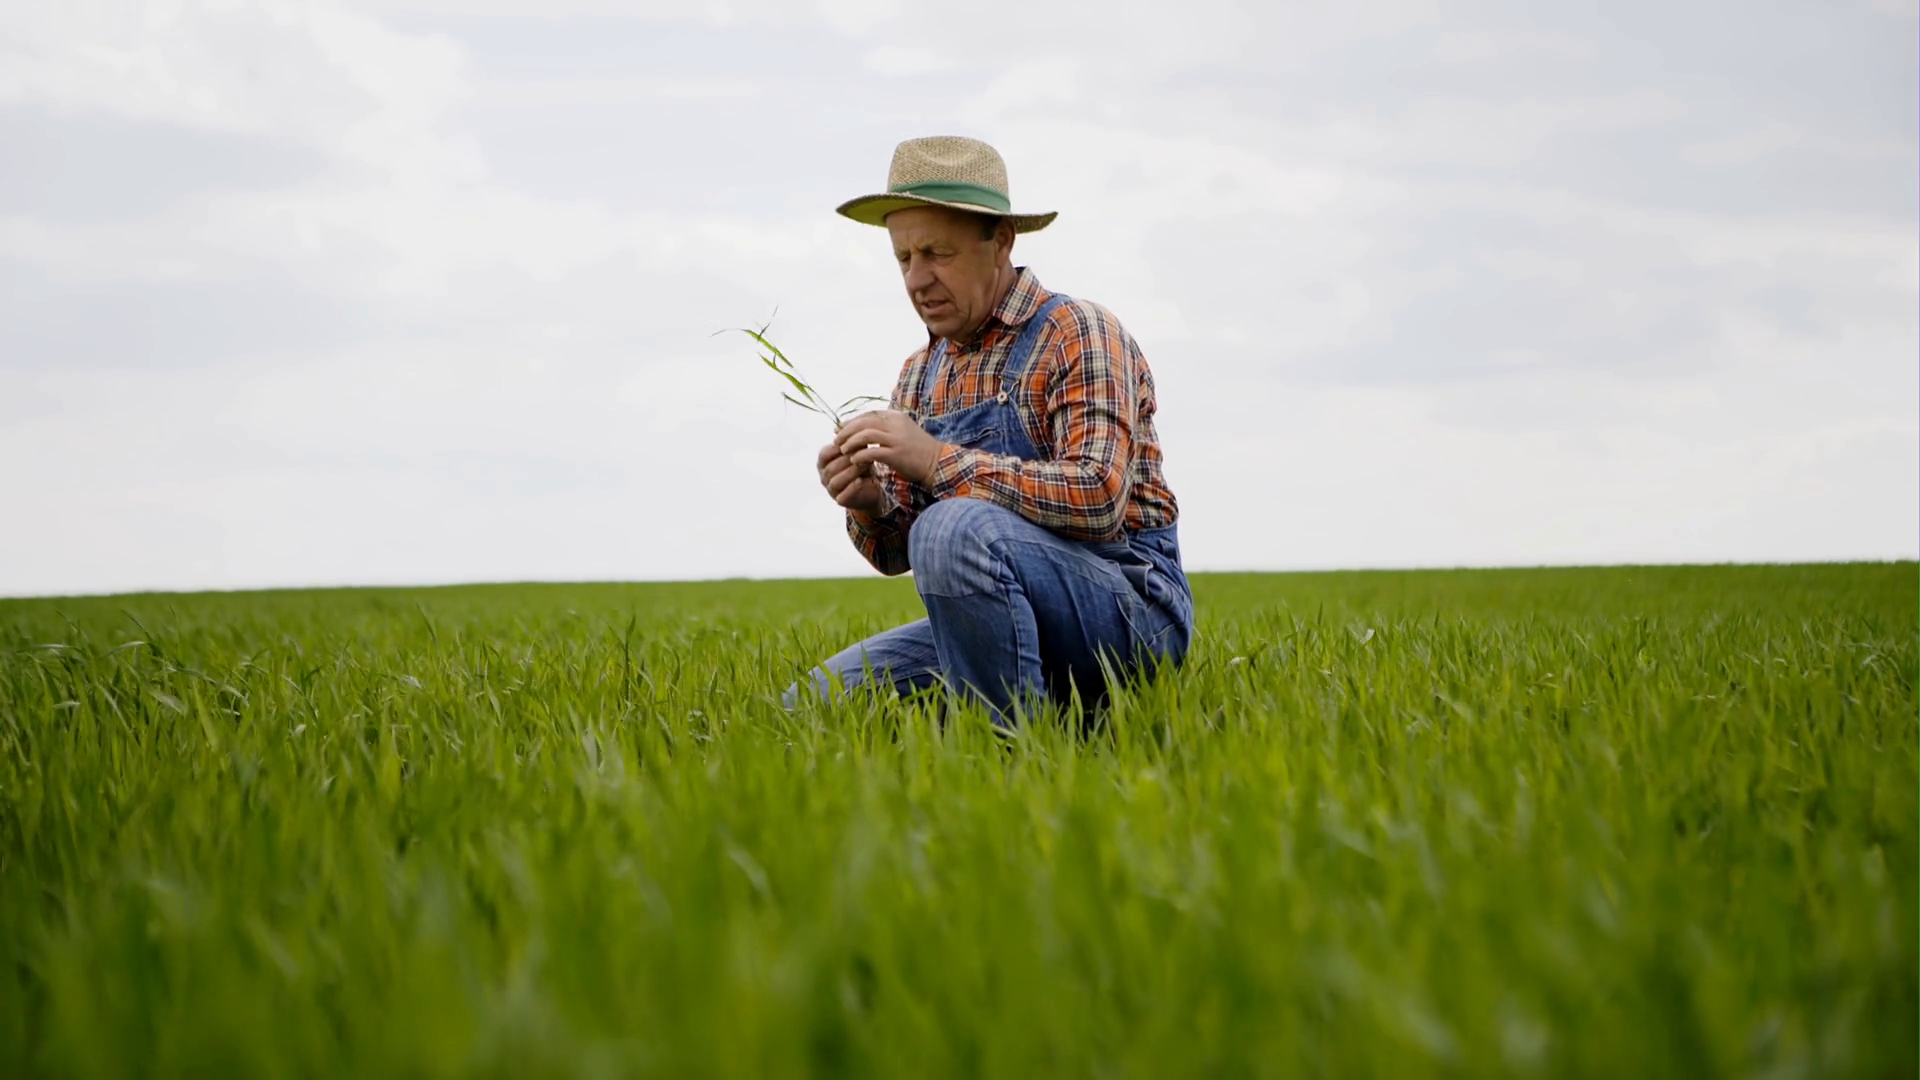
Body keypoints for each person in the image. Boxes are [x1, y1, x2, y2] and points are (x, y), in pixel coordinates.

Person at [784, 135, 1195, 729]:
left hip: (1130, 614)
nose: (916, 279)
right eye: (904, 258)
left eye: (937, 253)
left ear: (1000, 240)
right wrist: (871, 505)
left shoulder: (1079, 331)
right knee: (811, 707)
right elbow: (900, 552)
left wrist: (935, 461)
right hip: (1004, 616)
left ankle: (1007, 758)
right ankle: (1042, 714)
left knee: (951, 526)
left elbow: (1100, 497)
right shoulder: (920, 374)